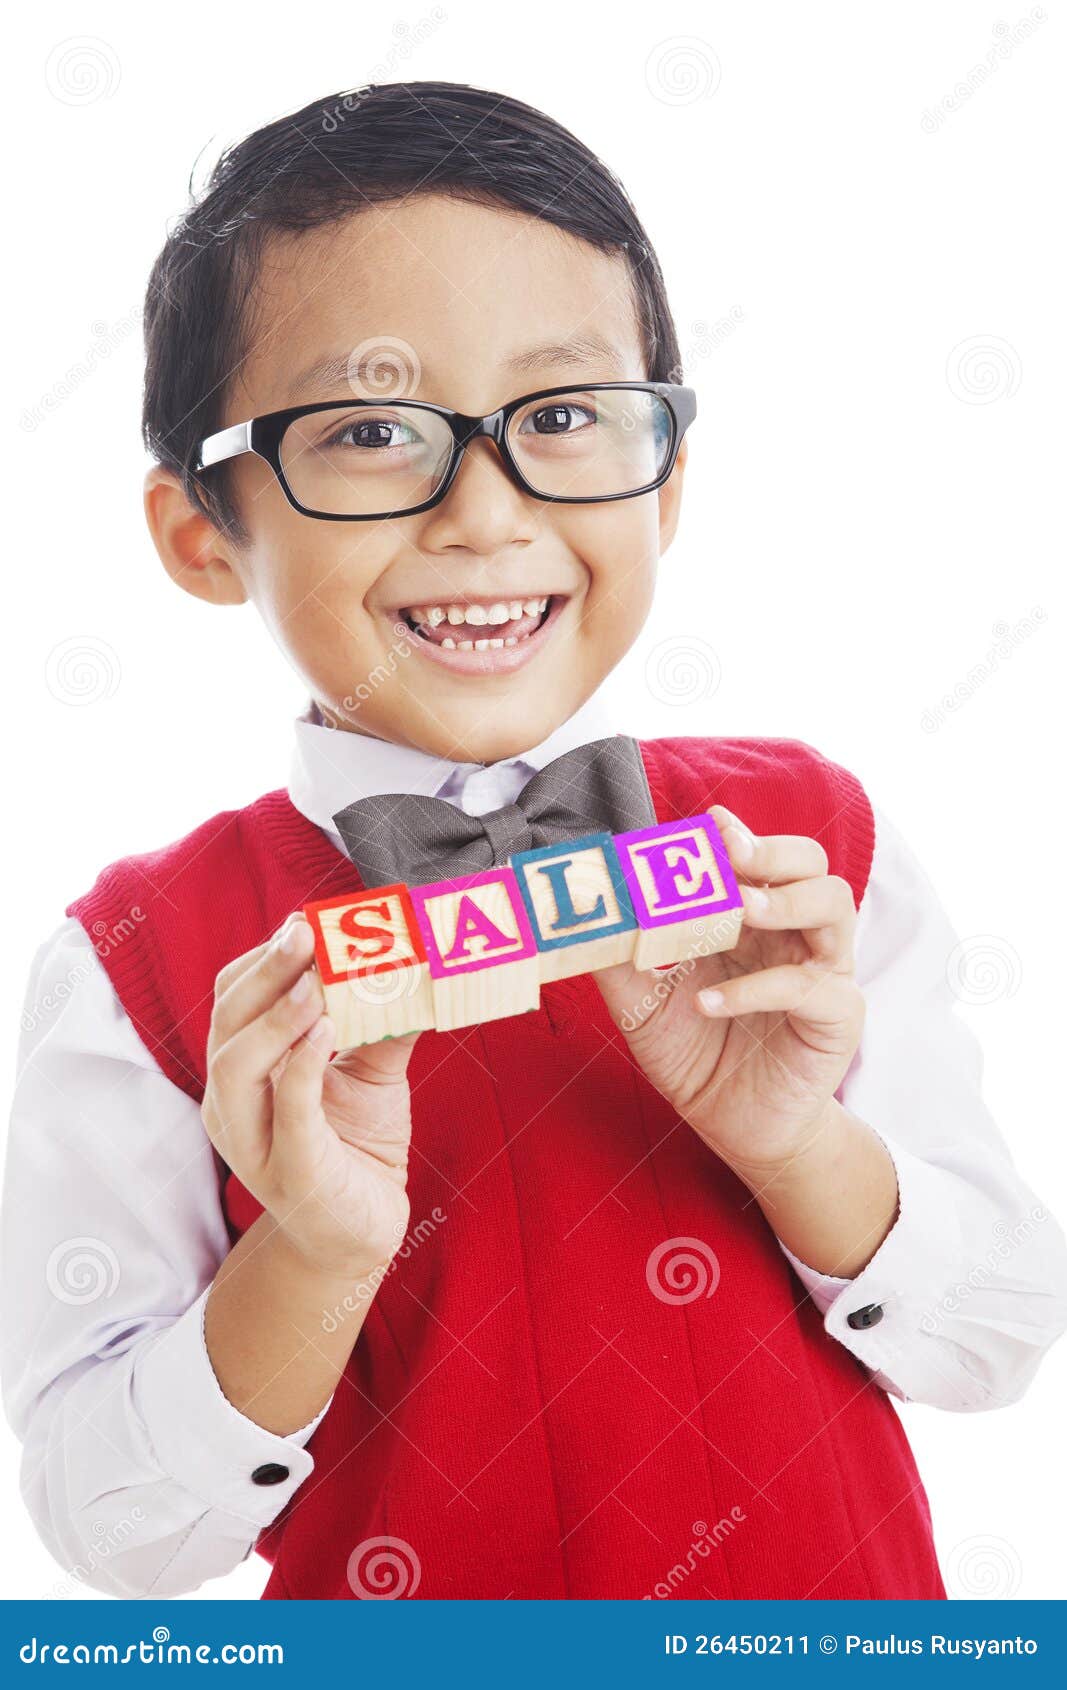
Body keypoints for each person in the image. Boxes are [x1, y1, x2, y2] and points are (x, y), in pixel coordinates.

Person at [3, 81, 1065, 1602]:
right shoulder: (137, 968)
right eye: (372, 430)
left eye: (562, 417)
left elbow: (1004, 1333)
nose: (486, 513)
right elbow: (114, 1532)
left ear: (671, 481)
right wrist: (308, 1248)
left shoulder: (809, 855)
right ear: (199, 531)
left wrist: (794, 1140)